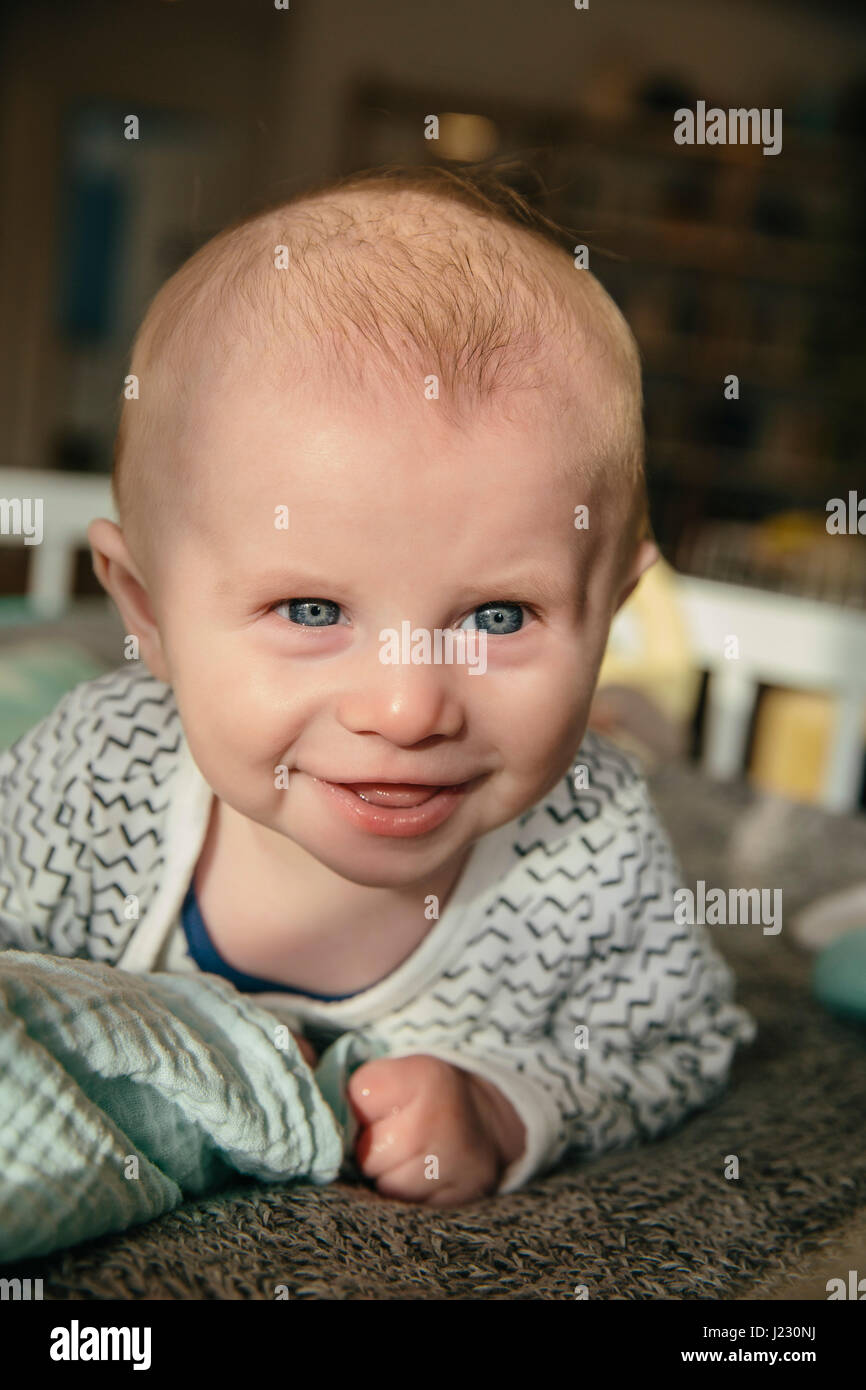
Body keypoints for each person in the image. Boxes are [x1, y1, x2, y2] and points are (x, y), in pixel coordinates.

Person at [0, 164, 755, 1205]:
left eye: (496, 617)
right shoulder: (98, 775)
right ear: (147, 611)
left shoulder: (582, 843)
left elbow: (677, 1039)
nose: (404, 710)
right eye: (311, 612)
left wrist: (504, 1106)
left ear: (607, 618)